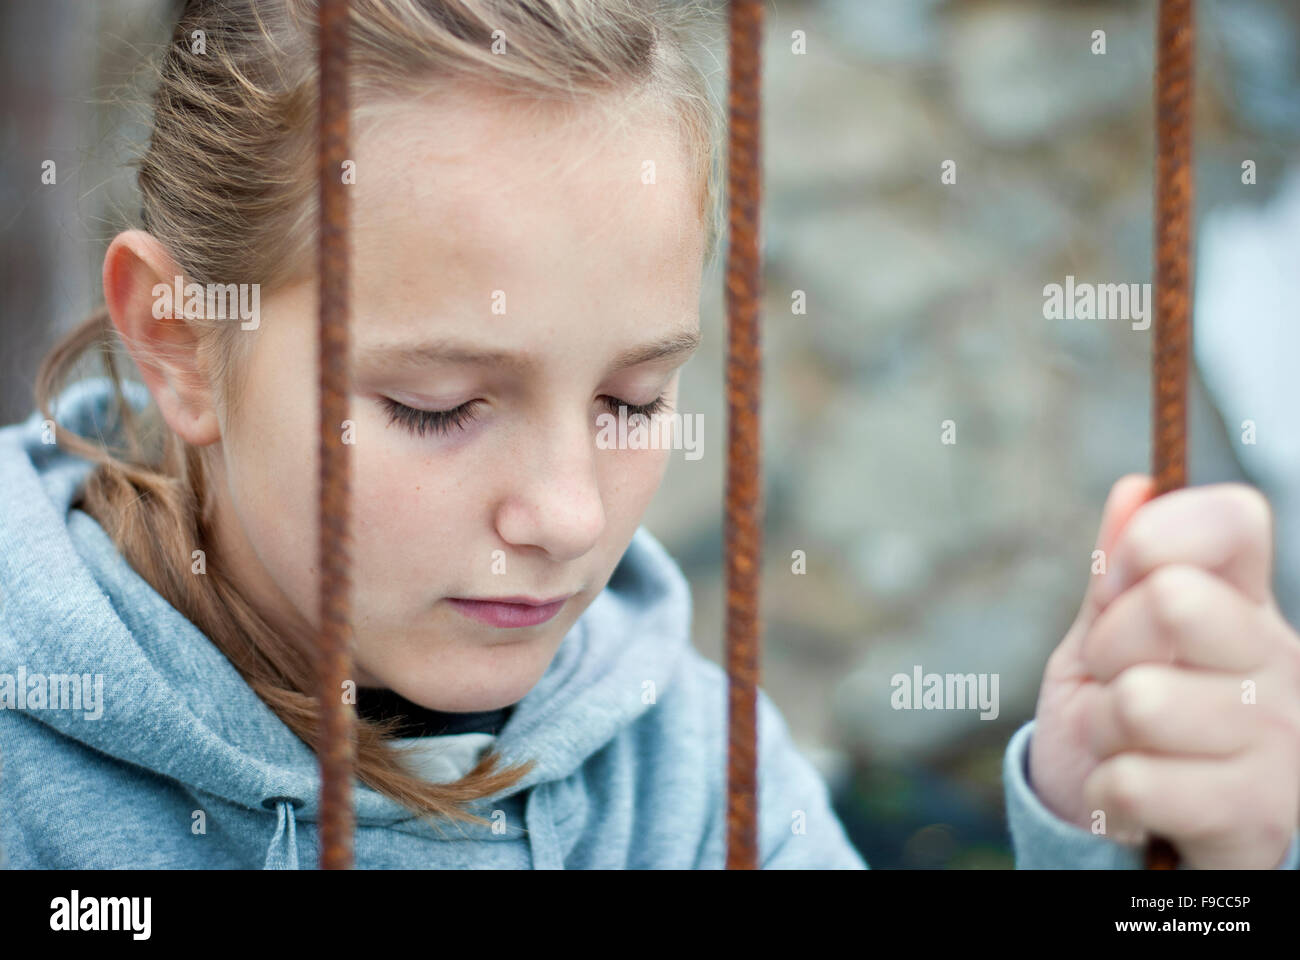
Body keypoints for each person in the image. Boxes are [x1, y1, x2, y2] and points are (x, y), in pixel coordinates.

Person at [1, 0, 1296, 869]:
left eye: (629, 401)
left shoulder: (699, 787)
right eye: (439, 406)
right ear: (179, 341)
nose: (569, 515)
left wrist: (1126, 853)